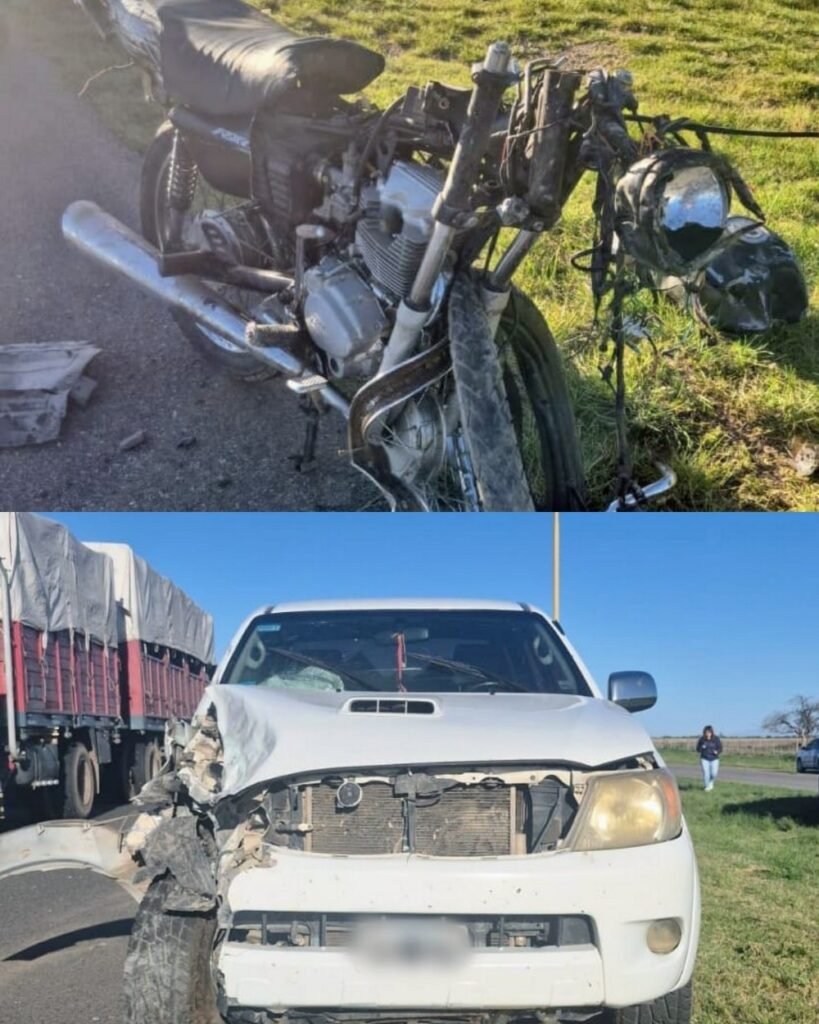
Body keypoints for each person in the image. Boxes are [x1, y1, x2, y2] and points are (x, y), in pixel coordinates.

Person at [696, 725, 723, 791]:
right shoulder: (702, 739)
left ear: (712, 732)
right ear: (704, 733)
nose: (708, 734)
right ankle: (707, 786)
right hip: (704, 758)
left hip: (714, 759)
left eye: (709, 732)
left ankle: (711, 782)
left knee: (714, 773)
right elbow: (698, 749)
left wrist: (717, 751)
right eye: (706, 732)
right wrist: (702, 747)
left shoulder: (716, 739)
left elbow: (720, 748)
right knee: (706, 773)